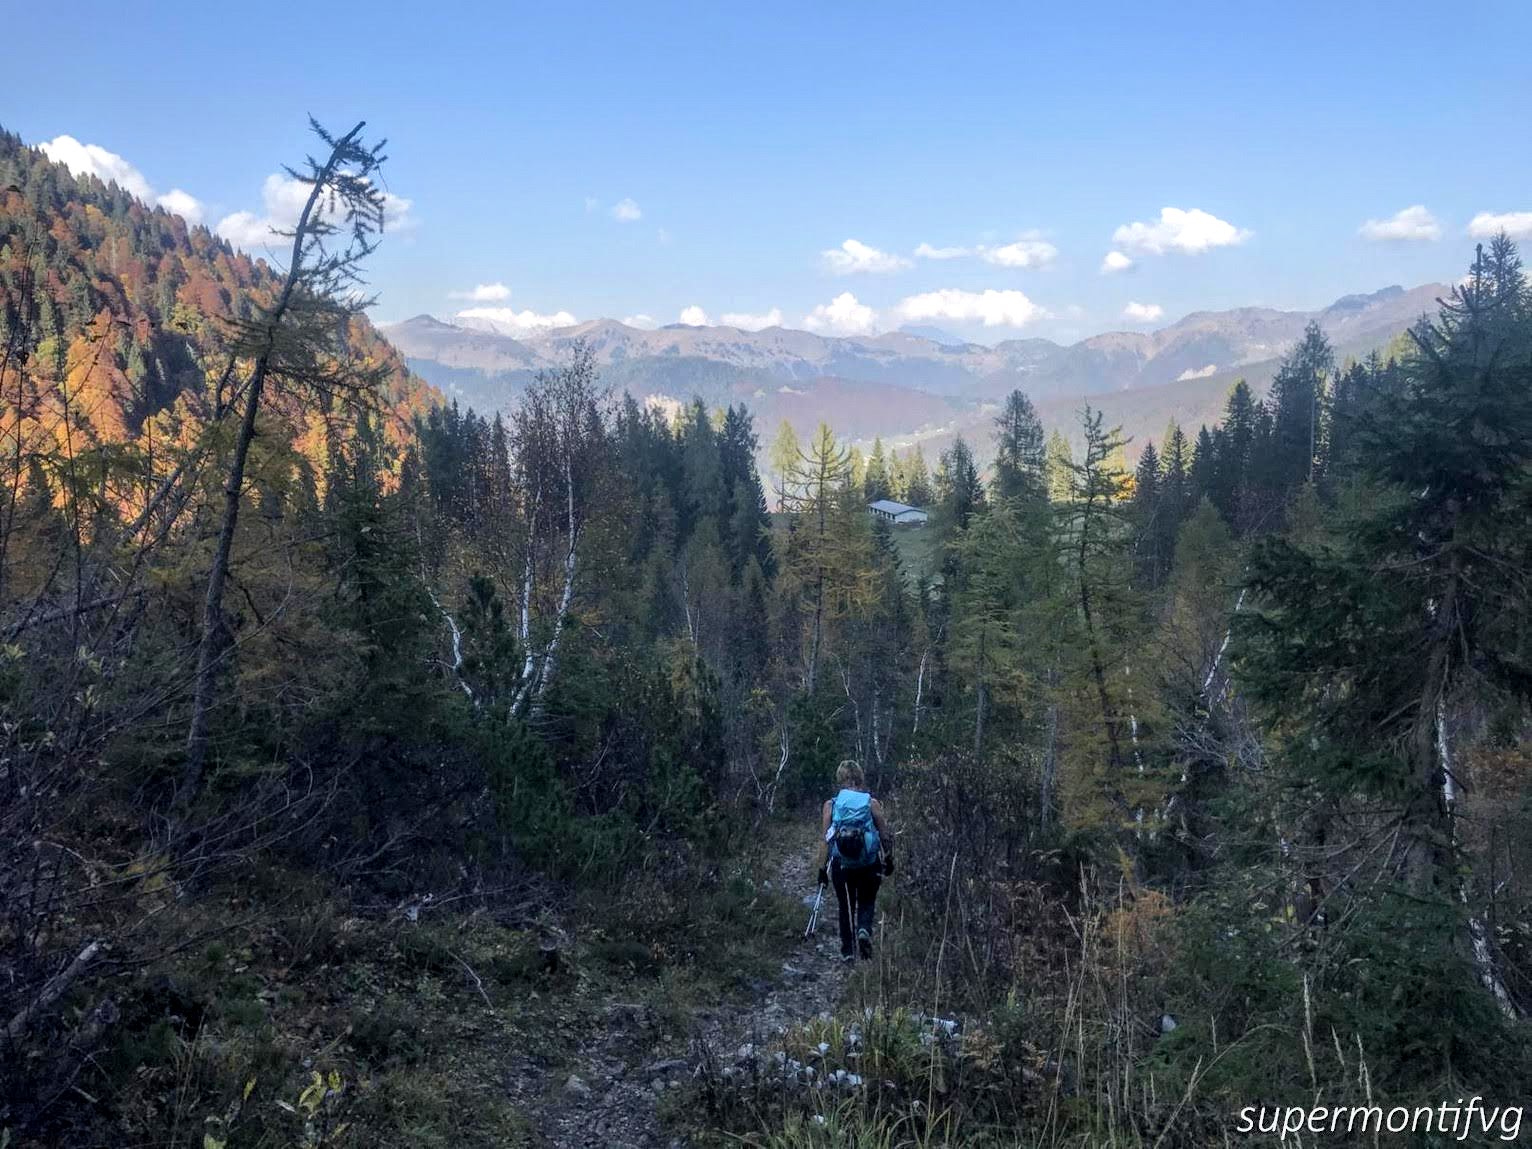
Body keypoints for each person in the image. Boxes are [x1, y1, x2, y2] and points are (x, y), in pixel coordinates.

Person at [814, 760, 894, 962]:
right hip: (869, 862)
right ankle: (864, 930)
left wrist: (822, 869)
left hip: (842, 864)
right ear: (860, 778)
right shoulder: (871, 803)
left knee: (845, 905)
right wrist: (889, 857)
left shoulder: (831, 805)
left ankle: (848, 951)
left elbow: (825, 840)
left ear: (840, 779)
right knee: (867, 900)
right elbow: (884, 834)